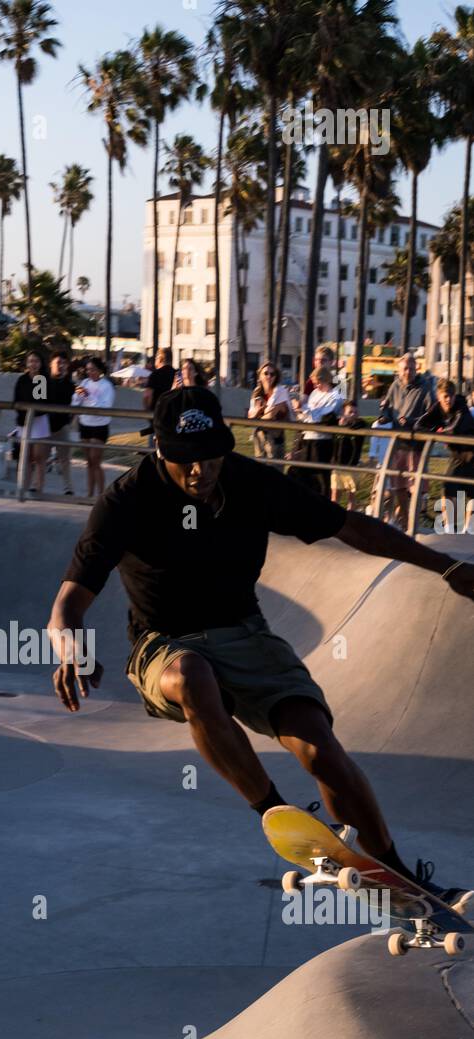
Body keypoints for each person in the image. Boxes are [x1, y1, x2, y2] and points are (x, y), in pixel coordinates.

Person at [47, 383, 474, 903]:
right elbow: (68, 603)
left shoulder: (252, 483)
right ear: (159, 449)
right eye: (186, 461)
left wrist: (446, 566)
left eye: (211, 458)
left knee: (321, 750)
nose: (201, 472)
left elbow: (352, 528)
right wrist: (71, 647)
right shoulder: (126, 501)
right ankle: (278, 815)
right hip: (162, 643)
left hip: (245, 632)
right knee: (191, 676)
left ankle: (396, 876)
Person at [377, 353, 434, 527]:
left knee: (415, 488)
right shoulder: (394, 385)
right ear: (399, 370)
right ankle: (406, 523)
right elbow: (387, 407)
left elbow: (432, 414)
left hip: (416, 444)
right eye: (404, 369)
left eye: (411, 368)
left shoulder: (424, 387)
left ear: (416, 369)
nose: (407, 372)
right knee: (398, 487)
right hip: (398, 443)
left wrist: (412, 422)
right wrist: (384, 417)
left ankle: (412, 524)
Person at [415, 379, 474, 534]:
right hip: (458, 456)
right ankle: (449, 529)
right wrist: (436, 429)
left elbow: (455, 428)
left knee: (469, 493)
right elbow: (419, 425)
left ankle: (468, 530)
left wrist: (439, 431)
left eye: (451, 396)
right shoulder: (437, 408)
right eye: (445, 396)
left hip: (472, 454)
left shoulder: (462, 407)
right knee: (448, 489)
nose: (449, 400)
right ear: (439, 396)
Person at [291, 366, 343, 496]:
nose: (316, 386)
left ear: (326, 380)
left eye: (318, 383)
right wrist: (299, 410)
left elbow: (326, 416)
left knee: (321, 478)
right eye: (314, 383)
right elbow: (308, 413)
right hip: (307, 438)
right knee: (305, 476)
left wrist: (307, 411)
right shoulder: (314, 393)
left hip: (322, 440)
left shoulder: (335, 396)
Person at [73, 357, 116, 499]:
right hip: (85, 424)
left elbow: (105, 406)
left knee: (96, 460)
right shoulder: (84, 382)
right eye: (88, 370)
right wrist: (78, 395)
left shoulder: (107, 386)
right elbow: (76, 401)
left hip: (100, 426)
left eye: (93, 369)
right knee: (89, 462)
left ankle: (101, 495)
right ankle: (89, 493)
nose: (90, 372)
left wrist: (89, 396)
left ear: (100, 370)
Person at [14, 348, 52, 496]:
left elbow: (40, 401)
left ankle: (38, 485)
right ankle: (24, 485)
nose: (33, 364)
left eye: (36, 361)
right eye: (31, 361)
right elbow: (17, 400)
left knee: (38, 456)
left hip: (39, 421)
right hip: (24, 421)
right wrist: (23, 412)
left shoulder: (41, 379)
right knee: (26, 456)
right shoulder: (22, 379)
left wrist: (30, 410)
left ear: (41, 363)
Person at [248, 361, 293, 461]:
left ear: (276, 377)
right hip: (260, 437)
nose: (269, 376)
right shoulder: (257, 392)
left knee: (274, 471)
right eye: (266, 373)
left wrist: (258, 415)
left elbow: (270, 416)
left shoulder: (281, 391)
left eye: (272, 374)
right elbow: (250, 417)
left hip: (275, 438)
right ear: (260, 375)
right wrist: (258, 412)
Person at [47, 352, 76, 496]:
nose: (61, 365)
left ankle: (68, 488)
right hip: (44, 426)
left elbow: (75, 405)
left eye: (64, 363)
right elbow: (35, 401)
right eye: (58, 362)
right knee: (38, 459)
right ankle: (34, 486)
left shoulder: (70, 385)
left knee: (65, 460)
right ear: (51, 364)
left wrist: (69, 422)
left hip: (62, 426)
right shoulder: (41, 381)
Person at [330, 401, 367, 509]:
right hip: (338, 466)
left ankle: (350, 518)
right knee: (335, 496)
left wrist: (351, 425)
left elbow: (362, 423)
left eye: (355, 412)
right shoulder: (337, 424)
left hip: (352, 466)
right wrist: (341, 426)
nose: (353, 414)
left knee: (352, 497)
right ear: (343, 413)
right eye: (350, 412)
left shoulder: (360, 424)